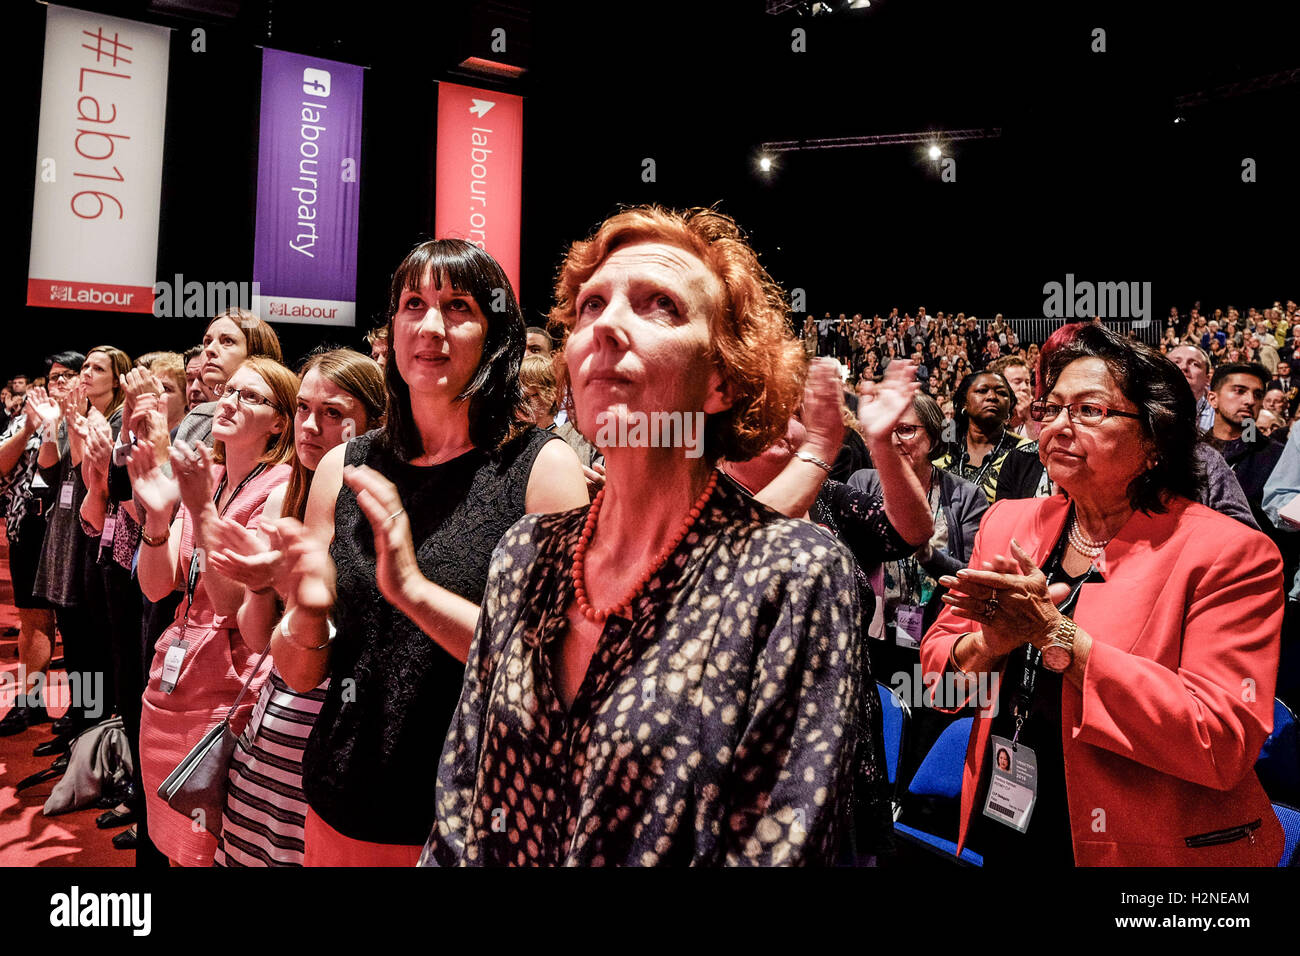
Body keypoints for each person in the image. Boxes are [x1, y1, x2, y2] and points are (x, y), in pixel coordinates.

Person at [420, 206, 873, 866]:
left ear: (723, 379)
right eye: (590, 305)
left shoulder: (795, 574)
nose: (606, 324)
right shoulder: (526, 552)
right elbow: (460, 805)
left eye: (660, 304)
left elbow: (780, 846)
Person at [269, 238, 588, 865]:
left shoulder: (541, 469)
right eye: (413, 304)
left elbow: (553, 670)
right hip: (342, 802)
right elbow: (302, 674)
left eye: (459, 306)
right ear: (391, 329)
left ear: (496, 334)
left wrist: (412, 590)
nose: (431, 326)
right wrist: (303, 610)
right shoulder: (343, 466)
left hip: (473, 820)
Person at [925, 325, 1285, 865]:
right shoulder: (1008, 523)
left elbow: (1221, 740)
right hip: (1008, 815)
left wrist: (1058, 637)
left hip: (1147, 846)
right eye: (1051, 409)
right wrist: (988, 645)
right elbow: (937, 684)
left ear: (1155, 440)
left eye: (1089, 411)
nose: (1058, 426)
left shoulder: (1231, 553)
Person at [206, 349, 386, 866]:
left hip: (331, 723)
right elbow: (257, 638)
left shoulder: (377, 507)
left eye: (332, 413)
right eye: (304, 408)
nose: (310, 426)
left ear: (373, 422)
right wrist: (262, 585)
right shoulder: (287, 496)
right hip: (273, 715)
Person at [132, 357, 296, 866]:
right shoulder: (211, 475)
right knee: (172, 850)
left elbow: (232, 603)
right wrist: (156, 518)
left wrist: (201, 509)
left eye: (249, 396)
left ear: (279, 423)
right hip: (171, 682)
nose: (228, 402)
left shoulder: (281, 487)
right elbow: (157, 586)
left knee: (208, 851)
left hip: (231, 688)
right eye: (229, 391)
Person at [0, 358, 76, 736]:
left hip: (72, 530)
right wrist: (31, 425)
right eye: (53, 377)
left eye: (67, 376)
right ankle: (30, 702)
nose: (58, 383)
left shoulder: (86, 417)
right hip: (27, 525)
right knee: (32, 619)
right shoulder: (25, 418)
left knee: (76, 624)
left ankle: (84, 709)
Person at [934, 370, 1032, 504]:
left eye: (1002, 393)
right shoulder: (943, 448)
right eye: (982, 391)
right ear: (964, 402)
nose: (992, 397)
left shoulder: (1026, 451)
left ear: (1009, 406)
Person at [1169, 343, 1215, 432]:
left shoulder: (1220, 415)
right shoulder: (1144, 409)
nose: (1183, 367)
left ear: (1208, 379)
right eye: (1176, 362)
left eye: (1194, 364)